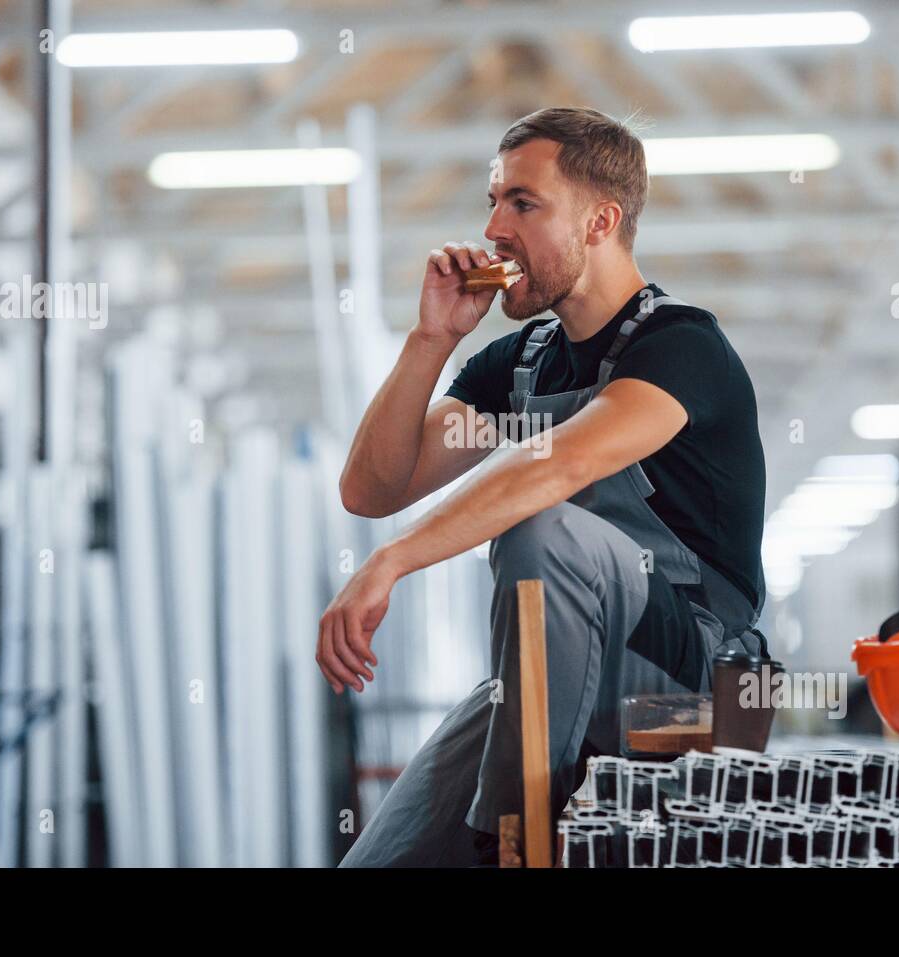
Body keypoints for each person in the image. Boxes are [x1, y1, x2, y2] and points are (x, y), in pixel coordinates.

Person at [321, 107, 768, 867]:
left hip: (693, 667)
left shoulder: (682, 346)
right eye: (492, 200)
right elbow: (372, 486)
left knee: (542, 524)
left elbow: (556, 468)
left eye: (522, 203)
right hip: (552, 670)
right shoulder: (519, 362)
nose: (494, 228)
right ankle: (505, 816)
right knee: (382, 858)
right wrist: (432, 340)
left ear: (600, 221)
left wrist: (391, 561)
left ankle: (513, 840)